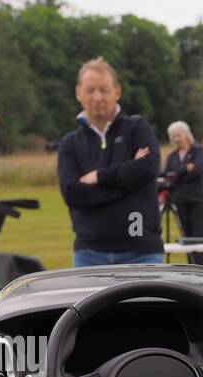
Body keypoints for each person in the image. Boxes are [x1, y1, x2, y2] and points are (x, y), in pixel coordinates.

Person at [57, 57, 163, 267]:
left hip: (142, 253)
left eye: (104, 89)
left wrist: (99, 177)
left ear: (117, 91)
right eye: (90, 90)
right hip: (89, 255)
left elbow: (149, 167)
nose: (97, 97)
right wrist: (128, 179)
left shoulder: (137, 128)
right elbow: (72, 193)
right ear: (78, 92)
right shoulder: (69, 144)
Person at [161, 120, 203, 265]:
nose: (176, 139)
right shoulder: (172, 156)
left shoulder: (198, 151)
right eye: (173, 136)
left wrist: (176, 176)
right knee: (186, 237)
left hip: (197, 200)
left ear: (186, 134)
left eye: (178, 135)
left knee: (199, 237)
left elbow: (198, 171)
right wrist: (184, 170)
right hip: (179, 200)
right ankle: (191, 267)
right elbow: (167, 176)